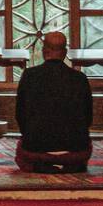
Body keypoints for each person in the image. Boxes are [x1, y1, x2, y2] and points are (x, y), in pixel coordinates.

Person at [14, 31, 94, 174]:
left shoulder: (29, 76)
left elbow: (20, 115)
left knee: (22, 152)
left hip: (36, 148)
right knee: (83, 150)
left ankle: (41, 165)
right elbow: (88, 118)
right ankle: (71, 165)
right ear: (65, 53)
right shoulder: (80, 78)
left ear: (44, 51)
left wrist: (31, 136)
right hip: (75, 150)